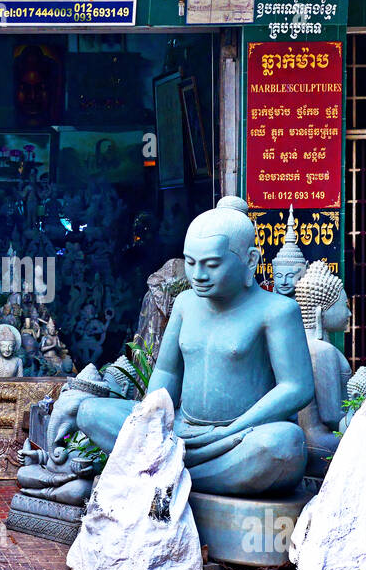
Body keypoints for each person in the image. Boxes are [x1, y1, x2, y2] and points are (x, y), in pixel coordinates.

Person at [49, 197, 314, 496]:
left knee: (283, 446)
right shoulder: (186, 304)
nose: (199, 275)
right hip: (181, 430)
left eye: (212, 264)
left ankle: (166, 470)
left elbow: (297, 387)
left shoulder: (277, 311)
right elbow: (166, 371)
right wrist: (151, 418)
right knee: (90, 412)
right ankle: (176, 466)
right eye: (191, 262)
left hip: (241, 437)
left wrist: (236, 427)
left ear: (250, 260)